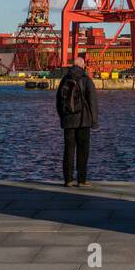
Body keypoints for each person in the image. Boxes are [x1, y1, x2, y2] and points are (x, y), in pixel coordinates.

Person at [56, 55, 97, 186]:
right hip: (83, 120)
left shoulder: (64, 79)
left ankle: (67, 180)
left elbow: (58, 102)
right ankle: (81, 180)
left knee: (68, 150)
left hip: (68, 120)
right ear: (82, 66)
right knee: (83, 150)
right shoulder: (86, 80)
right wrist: (94, 121)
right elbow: (93, 102)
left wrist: (62, 116)